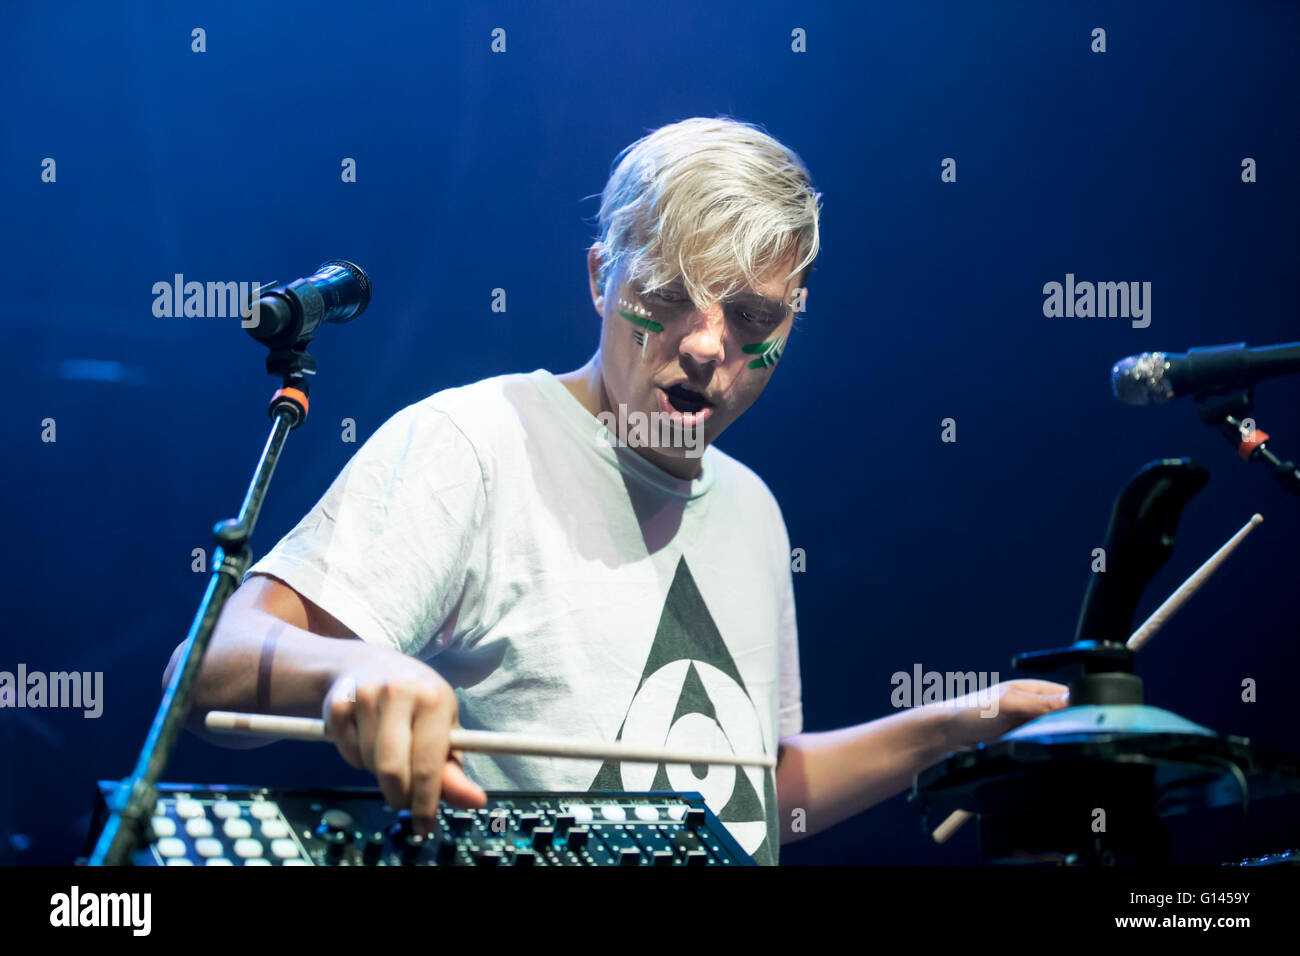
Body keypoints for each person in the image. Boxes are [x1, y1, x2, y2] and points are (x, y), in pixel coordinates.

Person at [163, 116, 1066, 865]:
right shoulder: (474, 442)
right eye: (670, 295)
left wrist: (954, 728)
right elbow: (200, 677)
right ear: (602, 277)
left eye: (753, 317)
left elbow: (751, 799)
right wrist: (356, 668)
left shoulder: (751, 509)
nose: (711, 347)